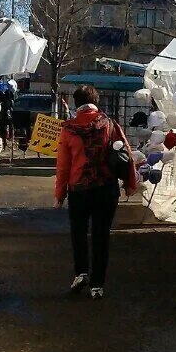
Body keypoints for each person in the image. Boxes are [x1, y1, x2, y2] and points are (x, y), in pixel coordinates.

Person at [55, 85, 137, 300]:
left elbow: (63, 165)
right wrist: (130, 182)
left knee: (78, 232)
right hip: (106, 187)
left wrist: (60, 193)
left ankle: (81, 272)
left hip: (78, 189)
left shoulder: (68, 128)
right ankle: (97, 285)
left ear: (76, 103)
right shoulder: (109, 123)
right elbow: (126, 152)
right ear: (96, 101)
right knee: (101, 236)